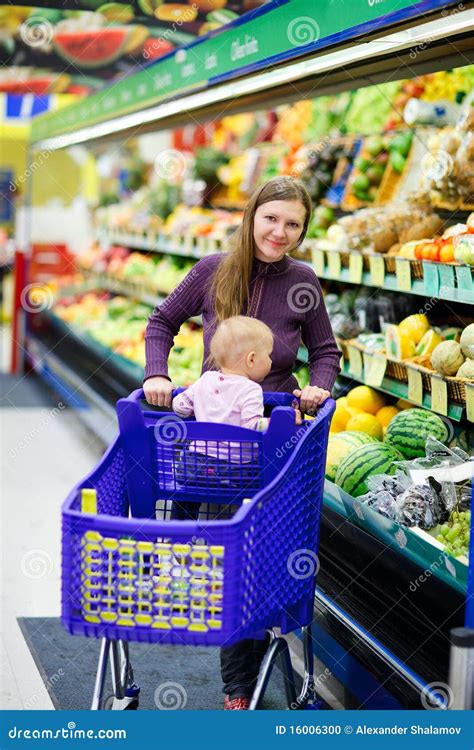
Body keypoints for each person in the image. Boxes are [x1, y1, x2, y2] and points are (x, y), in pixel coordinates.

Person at [144, 176, 341, 709]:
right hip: (217, 443)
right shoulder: (213, 271)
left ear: (303, 229)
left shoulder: (303, 280)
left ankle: (239, 684)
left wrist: (319, 385)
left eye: (293, 224)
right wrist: (157, 375)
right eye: (271, 218)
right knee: (229, 559)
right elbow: (162, 320)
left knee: (257, 560)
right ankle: (235, 672)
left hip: (276, 439)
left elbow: (326, 349)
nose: (280, 232)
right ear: (253, 215)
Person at [171, 316, 301, 510]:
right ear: (251, 359)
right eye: (268, 355)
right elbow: (252, 426)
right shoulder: (251, 389)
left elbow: (180, 406)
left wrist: (192, 401)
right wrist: (280, 421)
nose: (271, 361)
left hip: (194, 465)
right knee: (267, 483)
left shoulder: (206, 379)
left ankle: (178, 531)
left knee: (186, 498)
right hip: (234, 470)